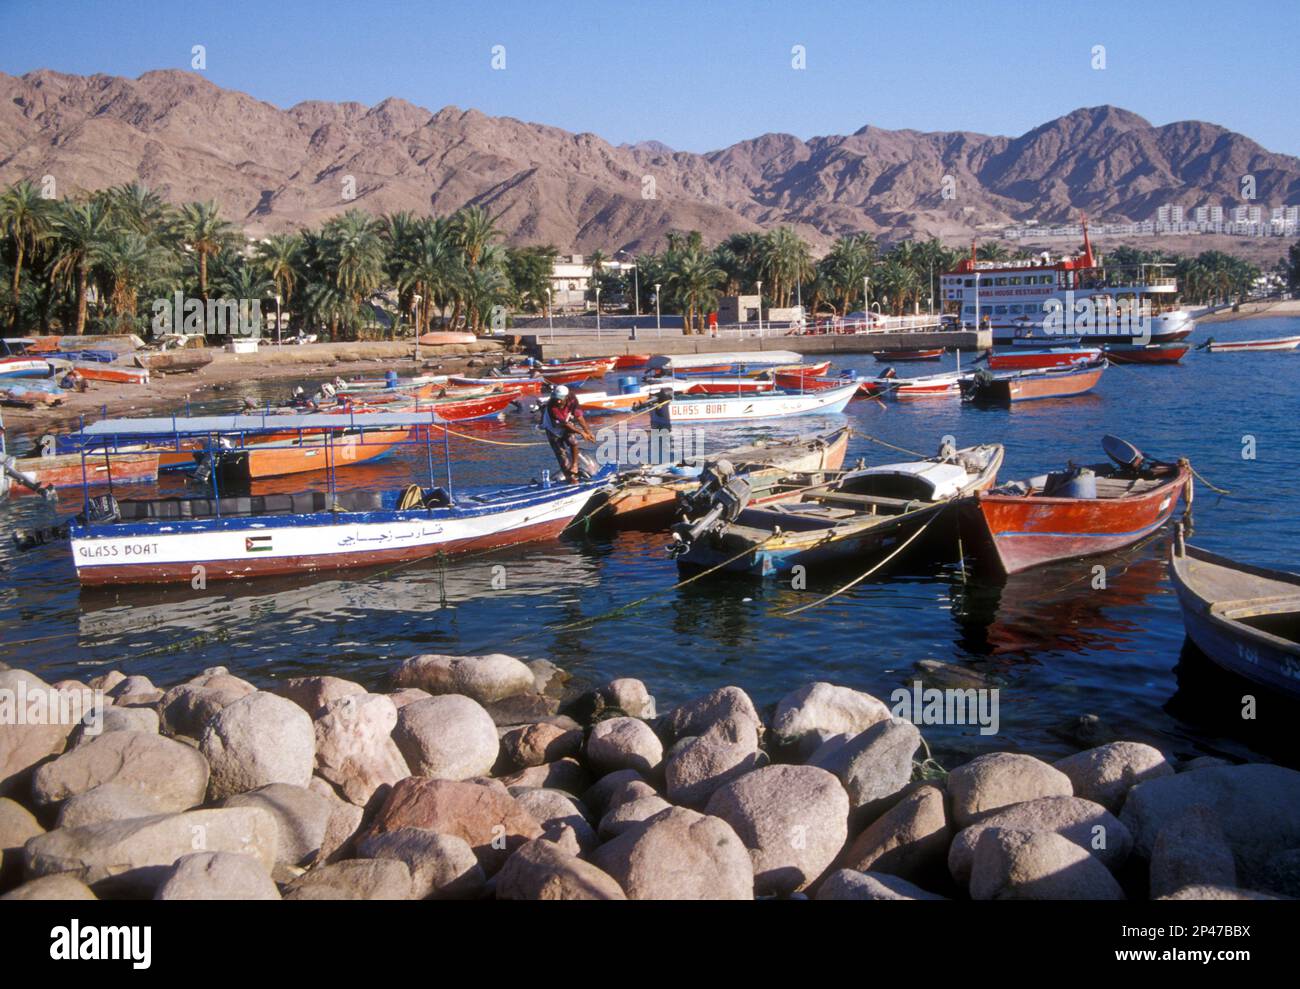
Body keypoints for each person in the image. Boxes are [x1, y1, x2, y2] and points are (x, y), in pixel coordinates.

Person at [540, 385, 594, 482]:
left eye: (560, 399)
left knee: (573, 442)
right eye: (556, 399)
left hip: (566, 422)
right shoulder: (552, 407)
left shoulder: (572, 399)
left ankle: (574, 466)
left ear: (566, 397)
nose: (558, 401)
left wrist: (588, 432)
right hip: (553, 429)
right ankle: (571, 478)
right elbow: (565, 425)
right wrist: (581, 432)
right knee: (562, 454)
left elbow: (579, 416)